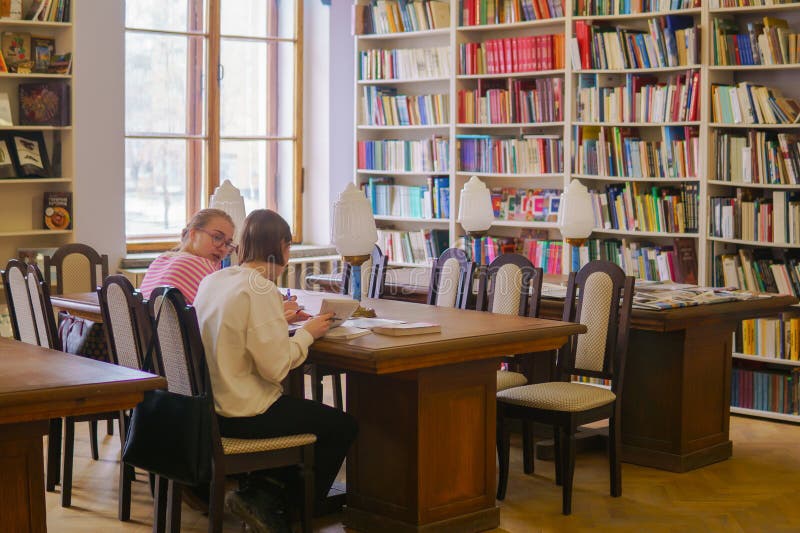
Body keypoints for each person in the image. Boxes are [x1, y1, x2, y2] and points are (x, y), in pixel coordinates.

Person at [194, 209, 358, 532]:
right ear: (282, 247)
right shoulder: (261, 288)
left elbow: (234, 332)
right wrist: (309, 332)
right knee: (342, 425)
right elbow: (275, 367)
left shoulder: (215, 281)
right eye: (289, 248)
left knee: (304, 415)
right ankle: (285, 509)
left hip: (210, 409)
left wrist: (277, 321)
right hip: (244, 413)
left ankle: (262, 491)